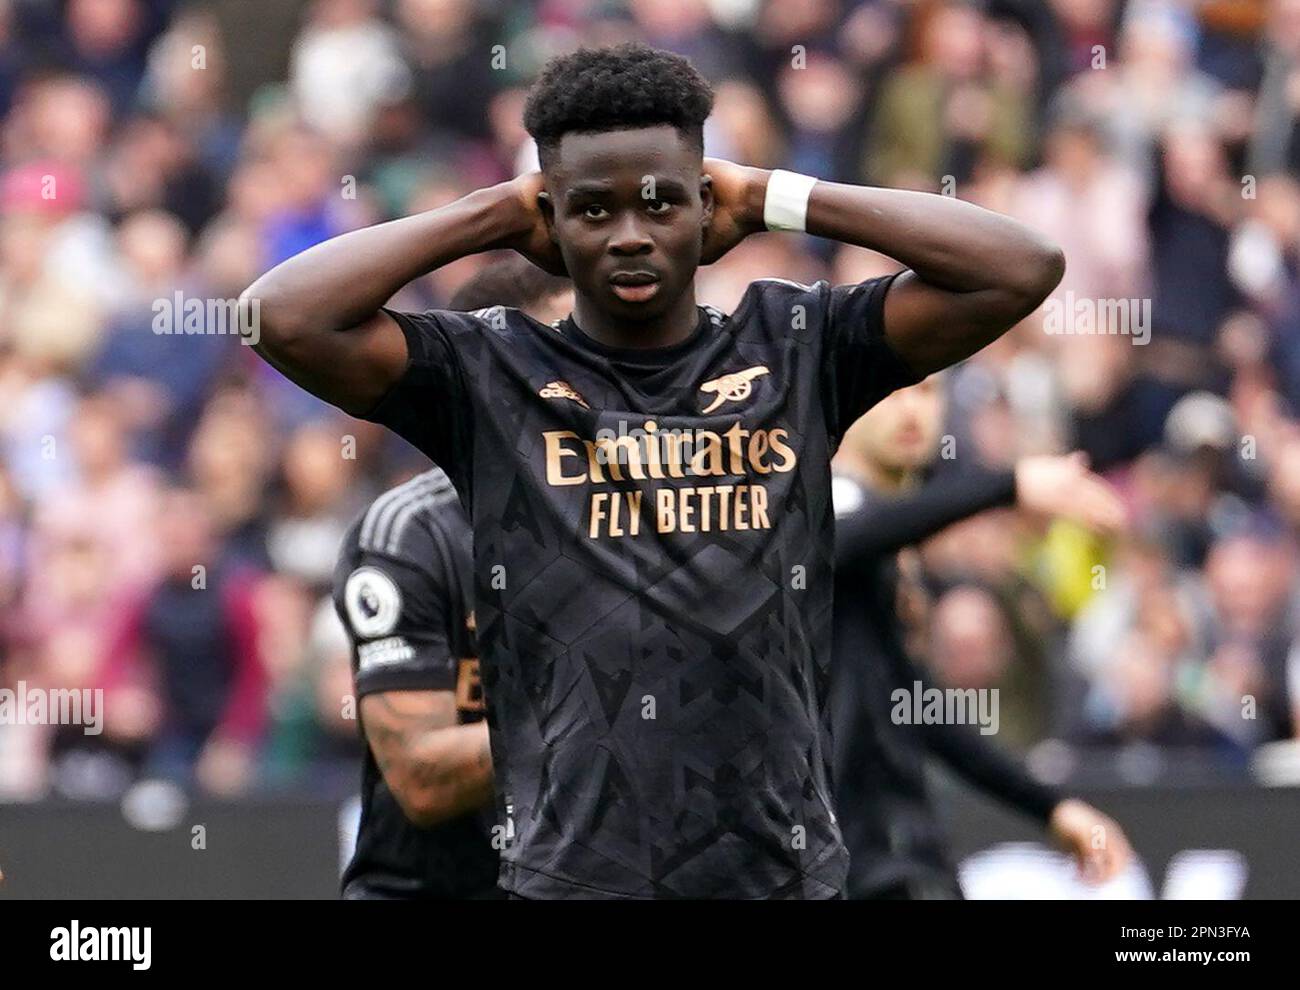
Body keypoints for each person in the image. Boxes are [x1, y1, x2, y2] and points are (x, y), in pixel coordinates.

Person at [243, 42, 1064, 899]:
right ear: (551, 221)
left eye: (662, 203)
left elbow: (1021, 267)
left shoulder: (796, 345)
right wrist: (494, 211)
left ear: (708, 206)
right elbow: (278, 316)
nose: (630, 235)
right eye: (591, 211)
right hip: (571, 882)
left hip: (777, 879)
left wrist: (775, 196)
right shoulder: (489, 371)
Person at [829, 376, 1133, 899]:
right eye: (890, 391)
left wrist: (1048, 805)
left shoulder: (888, 545)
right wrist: (1008, 486)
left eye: (925, 392)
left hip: (897, 853)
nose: (910, 411)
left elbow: (917, 708)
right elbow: (851, 529)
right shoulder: (817, 500)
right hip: (844, 859)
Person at [335, 258, 573, 900]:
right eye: (564, 356)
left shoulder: (640, 516)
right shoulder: (409, 534)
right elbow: (419, 777)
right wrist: (598, 721)